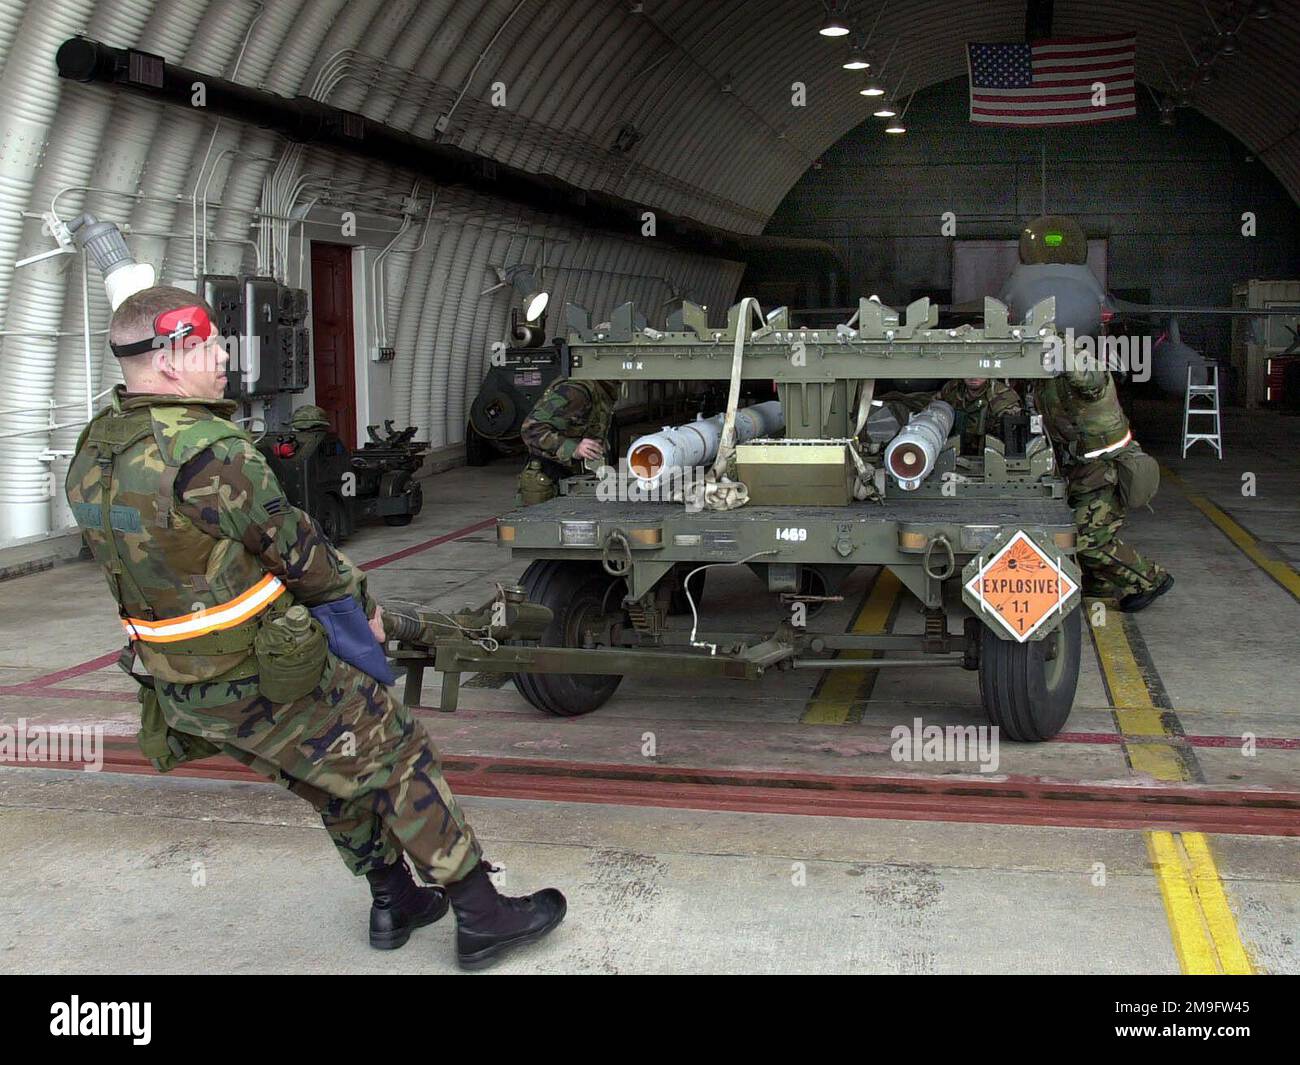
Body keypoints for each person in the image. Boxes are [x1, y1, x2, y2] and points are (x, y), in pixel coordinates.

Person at [65, 285, 565, 969]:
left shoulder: (95, 448)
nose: (224, 358)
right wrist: (362, 609)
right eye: (212, 345)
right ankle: (482, 914)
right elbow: (299, 552)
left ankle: (396, 898)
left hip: (177, 682)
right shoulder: (207, 449)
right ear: (175, 357)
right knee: (393, 752)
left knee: (330, 770)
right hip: (258, 674)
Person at [1034, 366, 1173, 611]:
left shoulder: (1079, 365)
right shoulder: (1041, 378)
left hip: (1105, 466)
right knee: (1083, 525)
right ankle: (1099, 584)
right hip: (1078, 467)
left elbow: (1093, 381)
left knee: (1087, 539)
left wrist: (1068, 362)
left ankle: (1150, 579)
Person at [516, 377, 618, 505]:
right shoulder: (576, 391)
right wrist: (573, 448)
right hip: (550, 479)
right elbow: (531, 429)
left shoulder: (602, 388)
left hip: (575, 479)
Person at [937, 377, 1023, 455]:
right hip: (953, 451)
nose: (973, 377)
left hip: (988, 455)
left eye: (979, 373)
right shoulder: (953, 388)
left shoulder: (1001, 394)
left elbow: (1011, 427)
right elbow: (934, 405)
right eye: (969, 372)